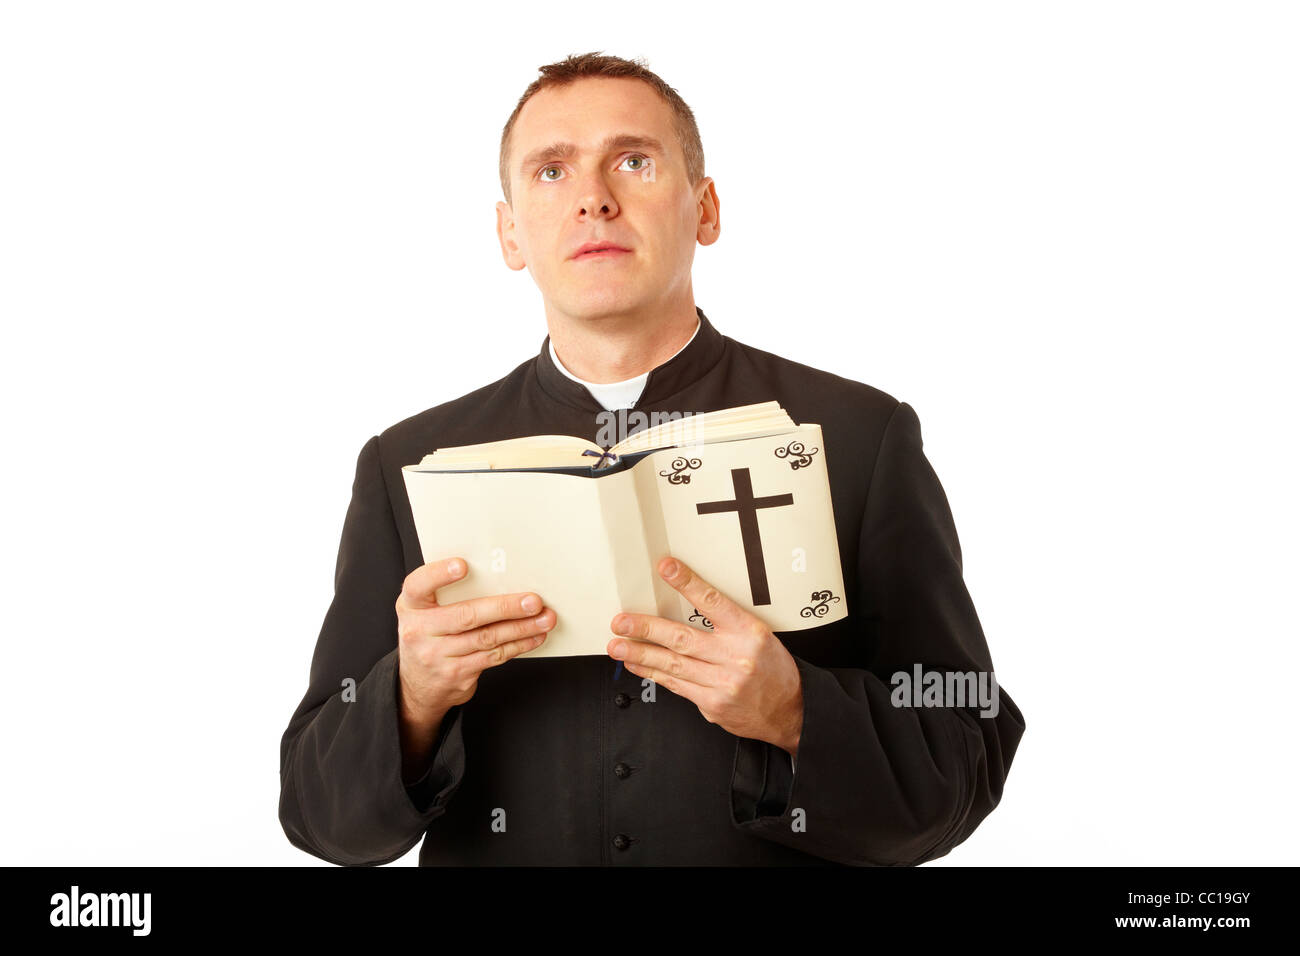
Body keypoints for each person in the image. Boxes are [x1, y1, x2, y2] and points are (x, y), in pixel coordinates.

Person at [277, 51, 1025, 866]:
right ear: (509, 232)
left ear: (704, 207)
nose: (595, 197)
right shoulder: (408, 464)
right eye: (553, 171)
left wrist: (796, 709)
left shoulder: (856, 436)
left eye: (634, 161)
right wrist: (411, 697)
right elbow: (320, 820)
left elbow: (966, 746)